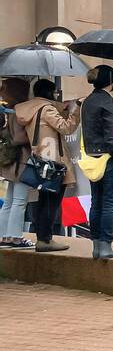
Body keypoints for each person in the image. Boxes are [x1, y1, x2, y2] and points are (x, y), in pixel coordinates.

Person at [13, 79, 81, 253]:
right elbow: (66, 128)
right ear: (49, 93)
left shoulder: (31, 109)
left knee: (43, 201)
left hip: (40, 159)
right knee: (52, 202)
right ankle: (45, 239)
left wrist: (63, 107)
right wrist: (75, 111)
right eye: (54, 93)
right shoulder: (47, 109)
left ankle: (42, 237)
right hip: (53, 162)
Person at [81, 65, 113, 260]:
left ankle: (97, 246)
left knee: (97, 202)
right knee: (110, 203)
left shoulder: (89, 102)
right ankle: (106, 245)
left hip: (93, 158)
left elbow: (105, 121)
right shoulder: (108, 104)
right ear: (111, 80)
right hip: (111, 160)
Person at [0, 78, 34, 249]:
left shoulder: (6, 110)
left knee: (9, 200)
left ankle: (4, 236)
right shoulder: (19, 111)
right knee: (20, 201)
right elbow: (19, 138)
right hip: (21, 161)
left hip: (9, 161)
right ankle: (15, 237)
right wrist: (33, 136)